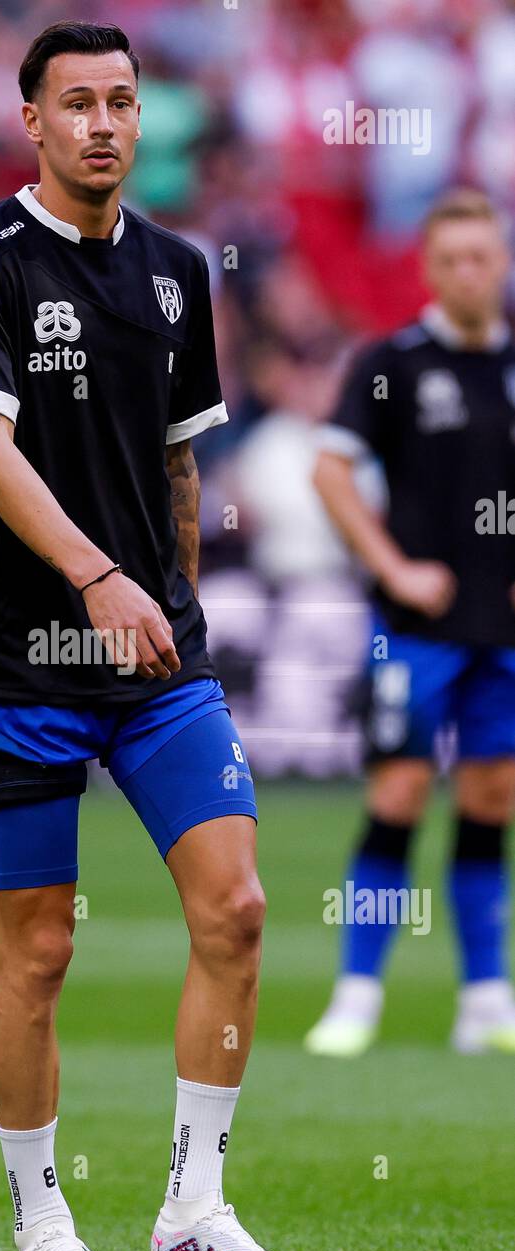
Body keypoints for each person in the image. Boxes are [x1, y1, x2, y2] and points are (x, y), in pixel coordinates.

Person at [0, 20, 307, 1251]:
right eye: (77, 102)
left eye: (123, 101)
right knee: (36, 954)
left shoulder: (180, 271)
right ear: (30, 120)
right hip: (25, 662)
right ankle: (41, 1221)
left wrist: (172, 598)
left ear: (144, 121)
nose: (103, 122)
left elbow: (181, 455)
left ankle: (193, 1207)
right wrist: (97, 576)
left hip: (157, 664)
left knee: (239, 909)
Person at [306, 189, 515, 1059]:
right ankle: (357, 992)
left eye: (482, 255)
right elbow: (329, 471)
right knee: (396, 793)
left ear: (500, 261)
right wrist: (392, 566)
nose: (470, 271)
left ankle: (483, 996)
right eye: (452, 258)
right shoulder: (391, 361)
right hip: (414, 626)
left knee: (489, 798)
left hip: (498, 632)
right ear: (428, 269)